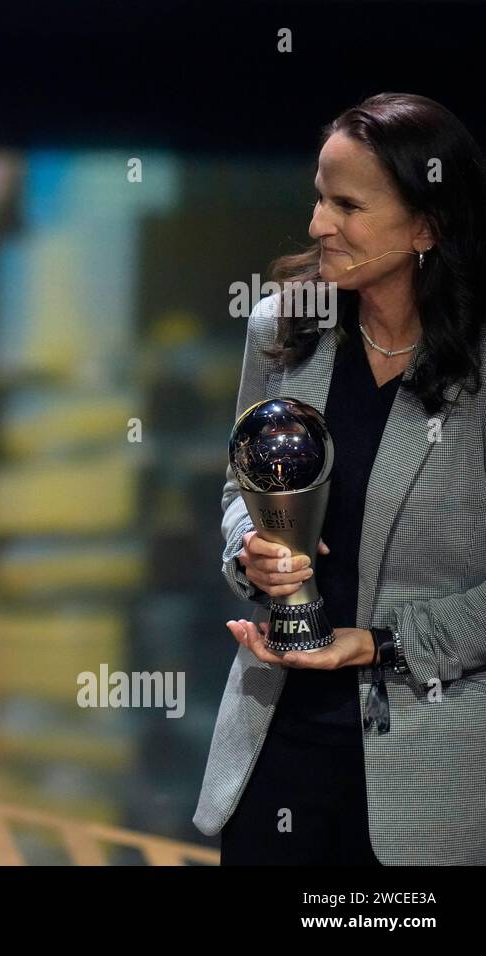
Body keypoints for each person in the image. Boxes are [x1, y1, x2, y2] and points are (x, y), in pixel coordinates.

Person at [195, 93, 486, 865]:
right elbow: (240, 493)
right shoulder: (282, 328)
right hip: (274, 740)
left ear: (427, 226)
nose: (320, 224)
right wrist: (249, 552)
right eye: (319, 197)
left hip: (435, 762)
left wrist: (375, 645)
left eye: (348, 205)